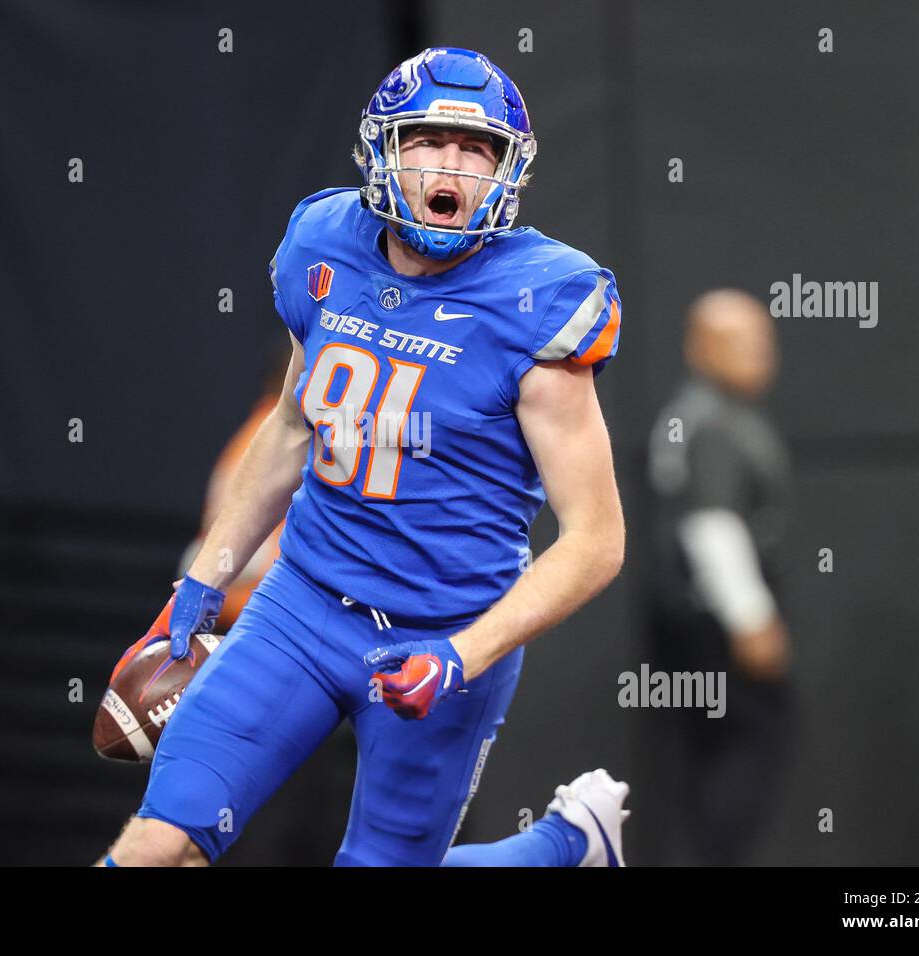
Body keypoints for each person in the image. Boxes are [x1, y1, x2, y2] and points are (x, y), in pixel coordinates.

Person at [102, 48, 629, 867]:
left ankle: (560, 849)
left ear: (508, 169)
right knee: (158, 843)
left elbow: (596, 540)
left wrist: (465, 655)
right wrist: (203, 582)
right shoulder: (324, 242)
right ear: (384, 152)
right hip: (301, 605)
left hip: (441, 633)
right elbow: (288, 426)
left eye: (477, 149)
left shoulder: (539, 299)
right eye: (430, 141)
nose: (453, 165)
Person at [645, 288, 793, 865]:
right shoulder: (711, 422)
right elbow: (712, 525)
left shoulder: (692, 415)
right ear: (700, 347)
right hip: (717, 628)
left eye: (764, 341)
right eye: (741, 343)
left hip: (690, 621)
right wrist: (750, 618)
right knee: (741, 756)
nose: (760, 354)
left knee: (708, 763)